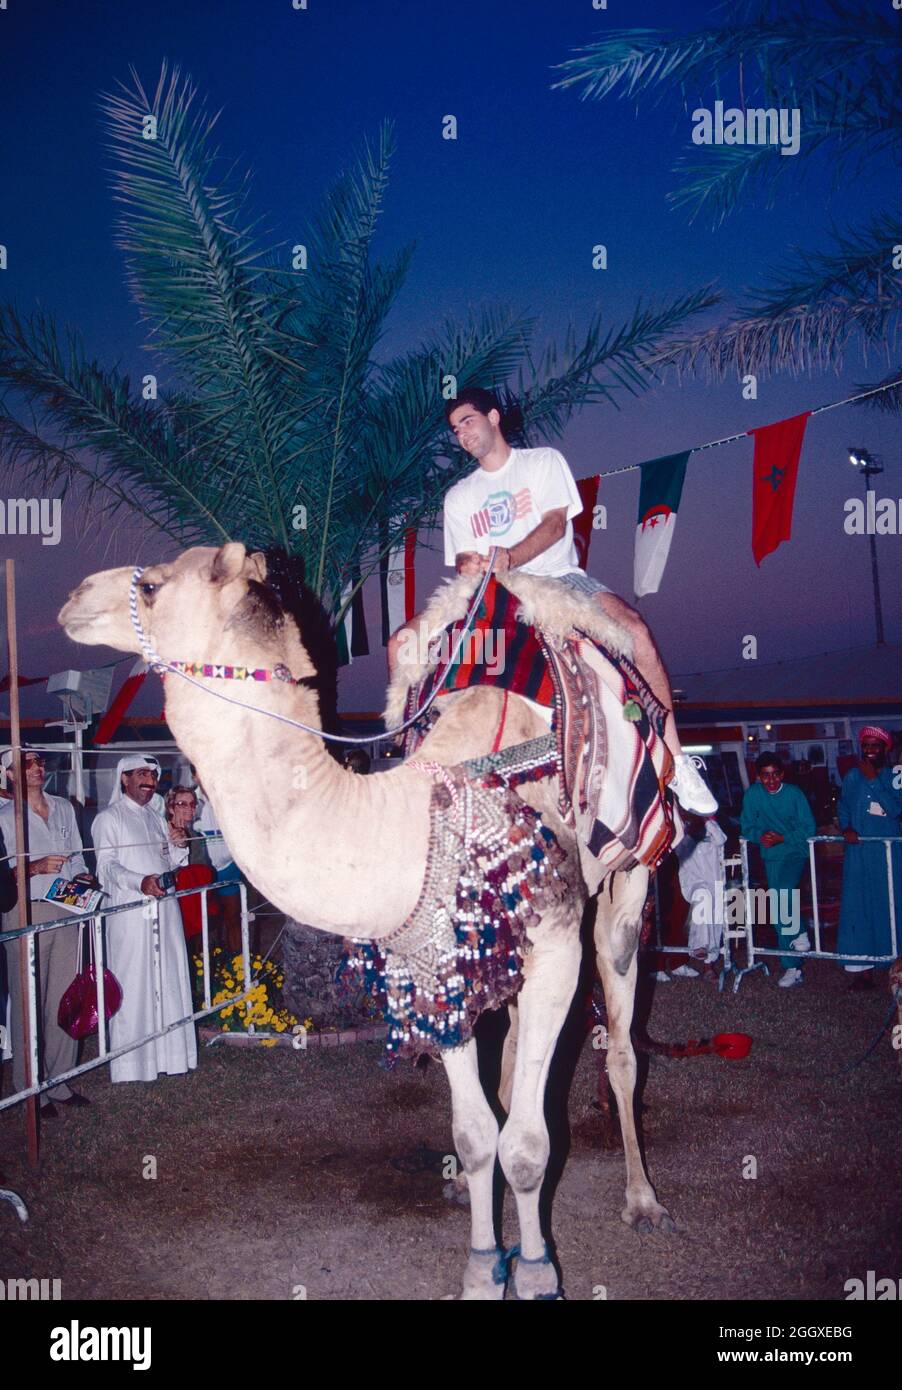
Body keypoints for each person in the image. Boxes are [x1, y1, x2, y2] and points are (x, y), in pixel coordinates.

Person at [387, 387, 715, 815]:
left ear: (493, 417)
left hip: (557, 579)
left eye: (467, 421)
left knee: (636, 631)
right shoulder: (459, 496)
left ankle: (676, 762)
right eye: (454, 429)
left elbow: (556, 524)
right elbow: (464, 559)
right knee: (401, 643)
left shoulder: (542, 462)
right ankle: (413, 761)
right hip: (488, 590)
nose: (461, 434)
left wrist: (508, 557)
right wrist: (473, 564)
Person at [92, 755, 197, 1083]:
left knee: (169, 979)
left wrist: (180, 843)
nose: (149, 781)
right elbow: (106, 867)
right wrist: (140, 882)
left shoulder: (154, 816)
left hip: (165, 910)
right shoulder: (108, 819)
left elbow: (171, 861)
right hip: (130, 915)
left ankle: (171, 1057)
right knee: (134, 984)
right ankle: (131, 1065)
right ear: (124, 778)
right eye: (141, 774)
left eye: (152, 775)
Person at [0, 747, 91, 1112]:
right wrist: (34, 868)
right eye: (25, 764)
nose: (36, 768)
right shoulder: (4, 817)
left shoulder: (64, 808)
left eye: (38, 762)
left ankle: (60, 1080)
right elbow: (2, 879)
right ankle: (29, 1087)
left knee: (64, 997)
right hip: (27, 910)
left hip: (66, 907)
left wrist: (83, 877)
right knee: (28, 1000)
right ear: (9, 774)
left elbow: (77, 857)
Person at [740, 753, 816, 988]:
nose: (771, 780)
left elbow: (809, 827)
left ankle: (800, 933)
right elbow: (746, 827)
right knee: (779, 909)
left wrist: (783, 838)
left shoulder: (794, 793)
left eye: (775, 775)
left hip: (795, 852)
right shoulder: (753, 794)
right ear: (758, 777)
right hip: (771, 856)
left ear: (782, 774)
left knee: (784, 893)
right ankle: (792, 967)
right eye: (766, 775)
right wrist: (761, 836)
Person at [837, 726, 902, 990]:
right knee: (858, 906)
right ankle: (863, 971)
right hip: (859, 853)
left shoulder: (896, 775)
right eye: (866, 745)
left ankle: (895, 967)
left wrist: (874, 779)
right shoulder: (852, 776)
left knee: (890, 905)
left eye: (876, 745)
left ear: (886, 748)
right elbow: (843, 806)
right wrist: (846, 828)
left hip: (888, 854)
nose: (870, 750)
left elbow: (896, 809)